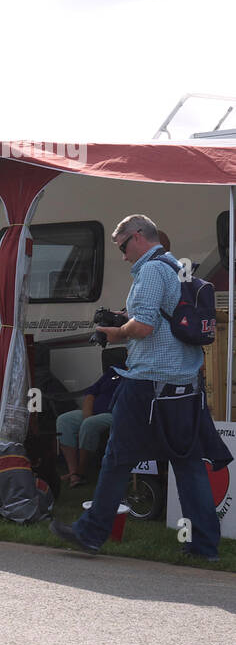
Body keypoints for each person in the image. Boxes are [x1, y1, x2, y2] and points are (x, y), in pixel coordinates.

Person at [50, 214, 230, 561]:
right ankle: (205, 547)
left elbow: (145, 327)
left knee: (117, 458)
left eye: (121, 247)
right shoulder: (178, 267)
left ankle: (91, 533)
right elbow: (166, 320)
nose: (122, 256)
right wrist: (126, 318)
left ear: (136, 237)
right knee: (189, 464)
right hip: (185, 386)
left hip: (149, 384)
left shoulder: (150, 271)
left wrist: (116, 332)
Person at [56, 369, 121, 486]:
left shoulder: (136, 375)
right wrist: (87, 413)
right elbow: (91, 393)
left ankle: (80, 473)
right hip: (93, 412)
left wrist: (88, 418)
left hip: (115, 415)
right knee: (64, 420)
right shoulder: (113, 371)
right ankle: (73, 471)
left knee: (90, 424)